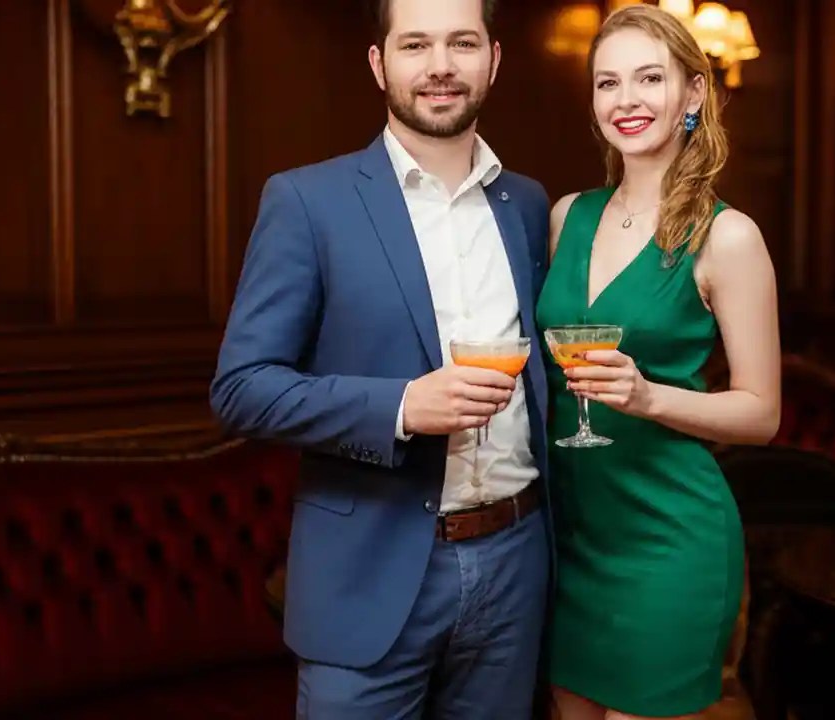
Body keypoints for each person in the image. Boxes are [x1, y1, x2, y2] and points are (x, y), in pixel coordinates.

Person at [210, 0, 552, 717]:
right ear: (379, 64)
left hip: (517, 559)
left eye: (462, 43)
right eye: (415, 44)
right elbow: (241, 388)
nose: (439, 66)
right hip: (369, 569)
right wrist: (400, 407)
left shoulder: (526, 206)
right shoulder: (308, 201)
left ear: (493, 60)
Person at [534, 5, 781, 719]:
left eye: (650, 78)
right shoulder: (565, 216)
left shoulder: (728, 238)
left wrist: (647, 398)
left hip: (668, 541)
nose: (627, 100)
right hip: (573, 539)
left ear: (695, 93)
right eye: (608, 83)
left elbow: (761, 414)